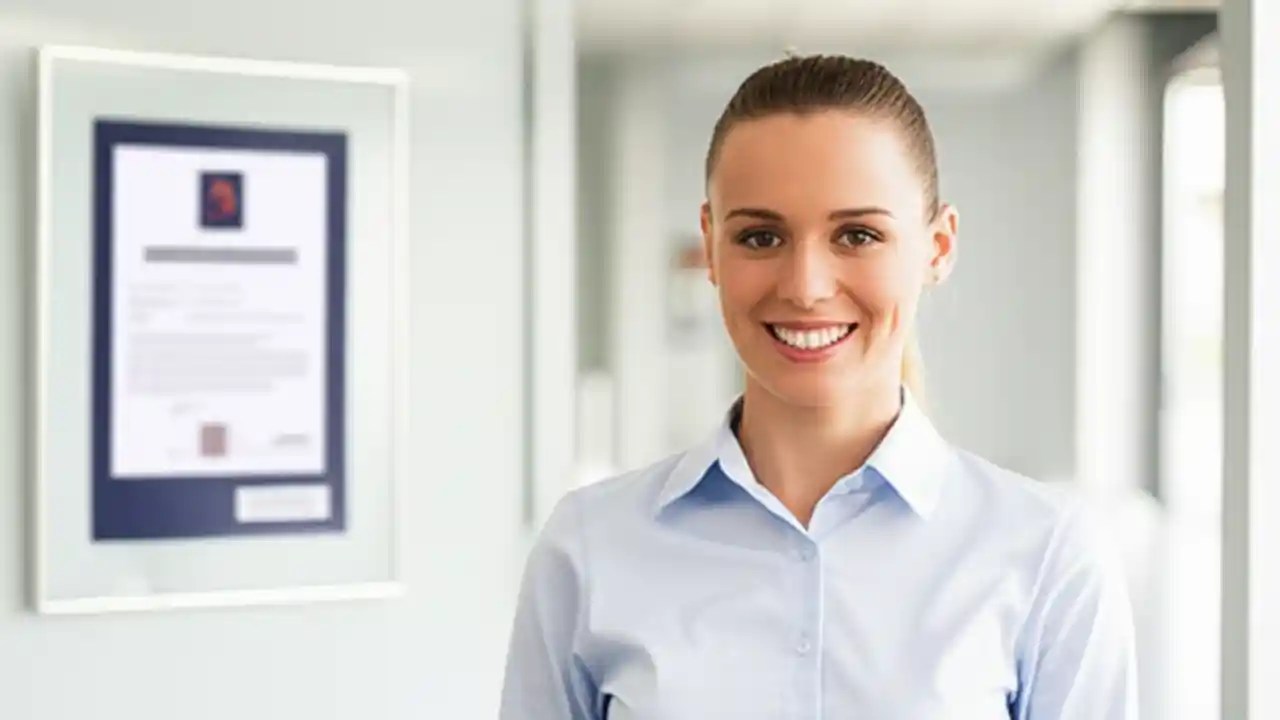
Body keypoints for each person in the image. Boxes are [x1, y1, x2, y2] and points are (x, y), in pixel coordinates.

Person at [499, 54, 1137, 719]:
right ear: (710, 246)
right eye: (761, 237)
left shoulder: (1047, 554)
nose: (805, 287)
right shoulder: (590, 546)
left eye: (857, 235)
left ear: (938, 246)